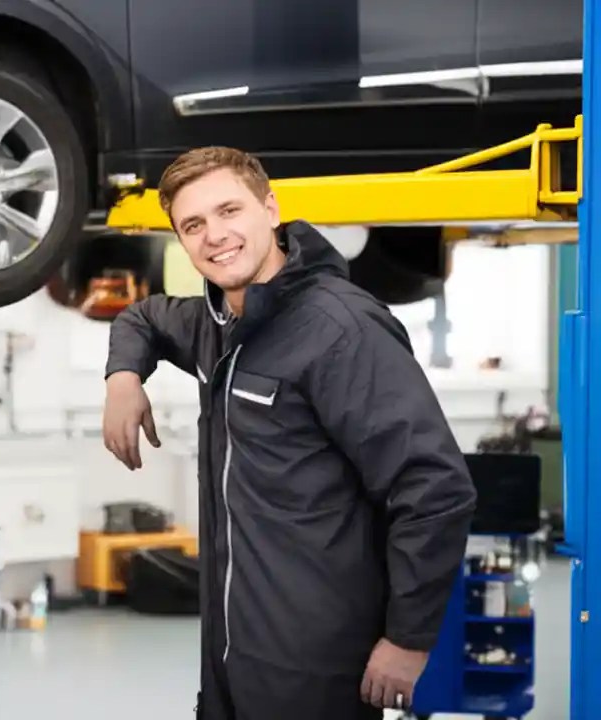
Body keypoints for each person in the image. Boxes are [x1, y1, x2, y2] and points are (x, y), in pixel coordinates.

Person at [101, 147, 477, 719]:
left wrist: (408, 639)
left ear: (270, 208)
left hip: (314, 660)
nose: (215, 235)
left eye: (229, 210)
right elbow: (141, 317)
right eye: (193, 224)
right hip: (230, 650)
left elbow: (434, 488)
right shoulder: (215, 323)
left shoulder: (340, 329)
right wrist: (123, 378)